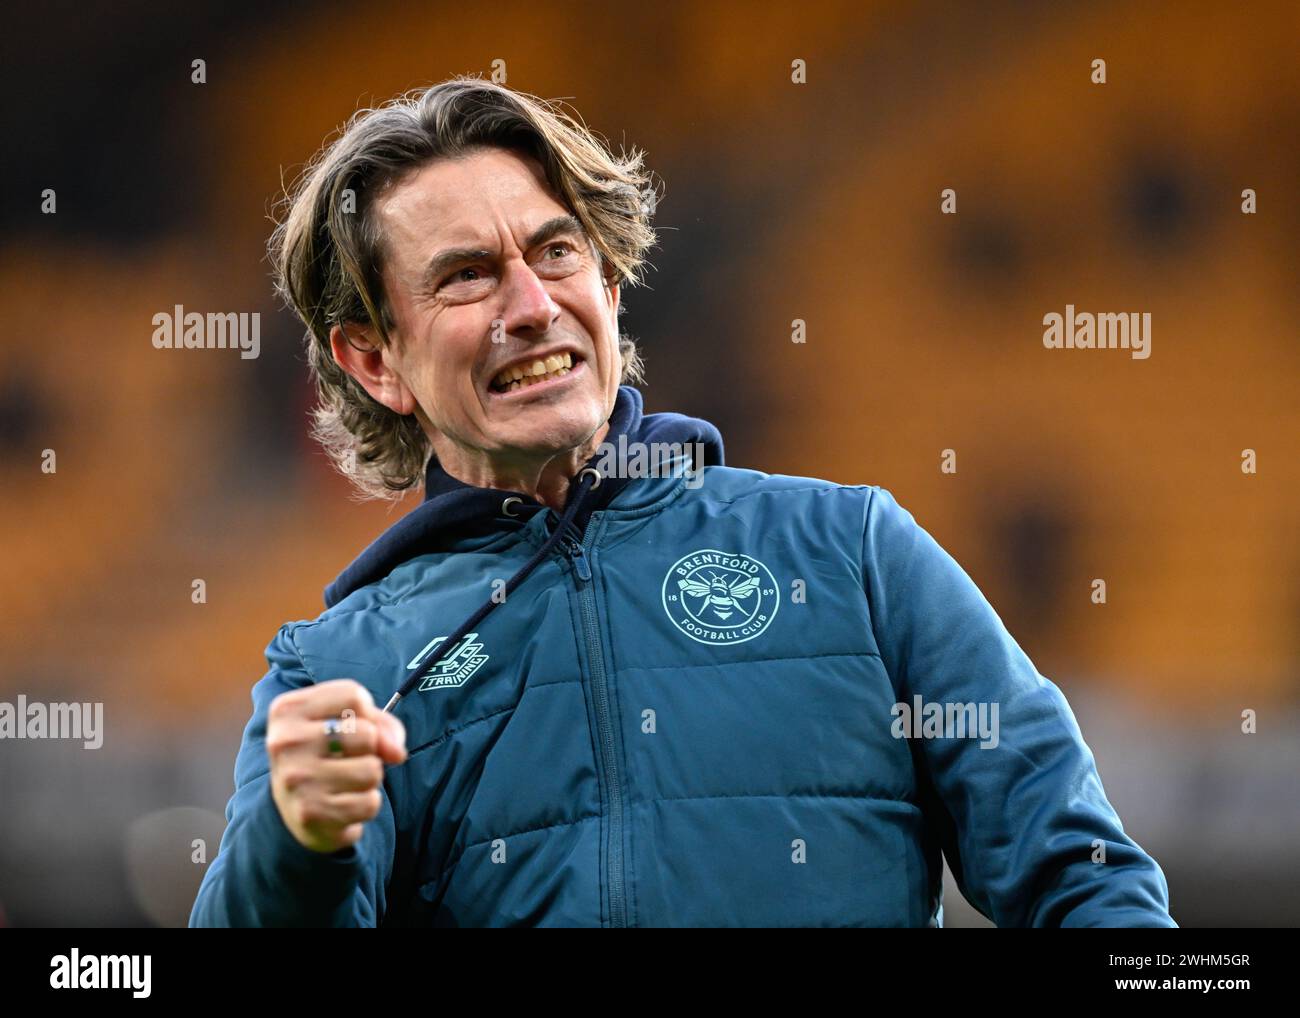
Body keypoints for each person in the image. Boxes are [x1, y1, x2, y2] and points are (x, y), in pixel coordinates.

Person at [189, 76, 1174, 927]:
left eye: (558, 251)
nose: (531, 304)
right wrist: (295, 846)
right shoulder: (340, 672)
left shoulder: (853, 553)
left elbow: (1081, 876)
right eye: (467, 277)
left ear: (610, 284)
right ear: (372, 359)